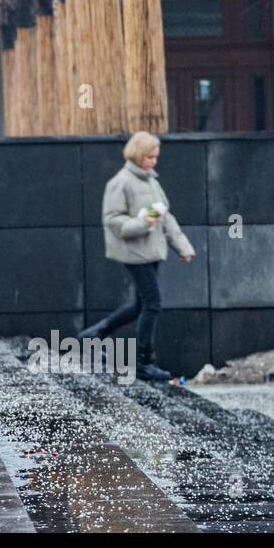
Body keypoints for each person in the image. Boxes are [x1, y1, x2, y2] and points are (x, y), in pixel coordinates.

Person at [79, 131, 195, 382]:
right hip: (134, 252)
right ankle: (144, 361)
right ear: (138, 155)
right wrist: (143, 222)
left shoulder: (152, 182)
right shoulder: (121, 182)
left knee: (141, 304)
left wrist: (182, 247)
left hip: (152, 251)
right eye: (150, 157)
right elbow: (112, 221)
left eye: (156, 157)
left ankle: (95, 333)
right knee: (153, 304)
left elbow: (167, 218)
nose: (154, 161)